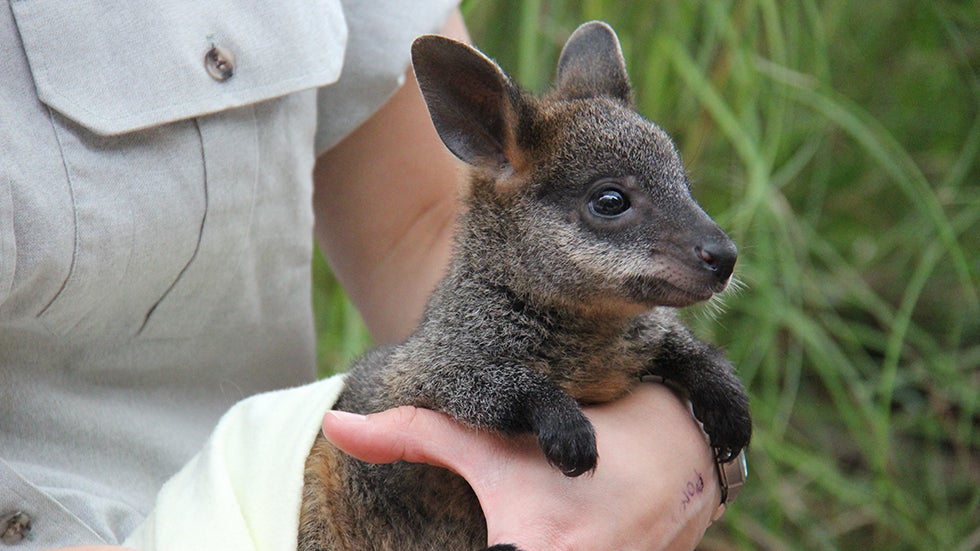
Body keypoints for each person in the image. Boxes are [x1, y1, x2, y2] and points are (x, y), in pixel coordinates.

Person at [0, 1, 726, 549]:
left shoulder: (586, 301)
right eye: (609, 205)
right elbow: (452, 372)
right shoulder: (493, 292)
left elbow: (422, 232)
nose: (711, 245)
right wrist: (548, 411)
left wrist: (687, 454)